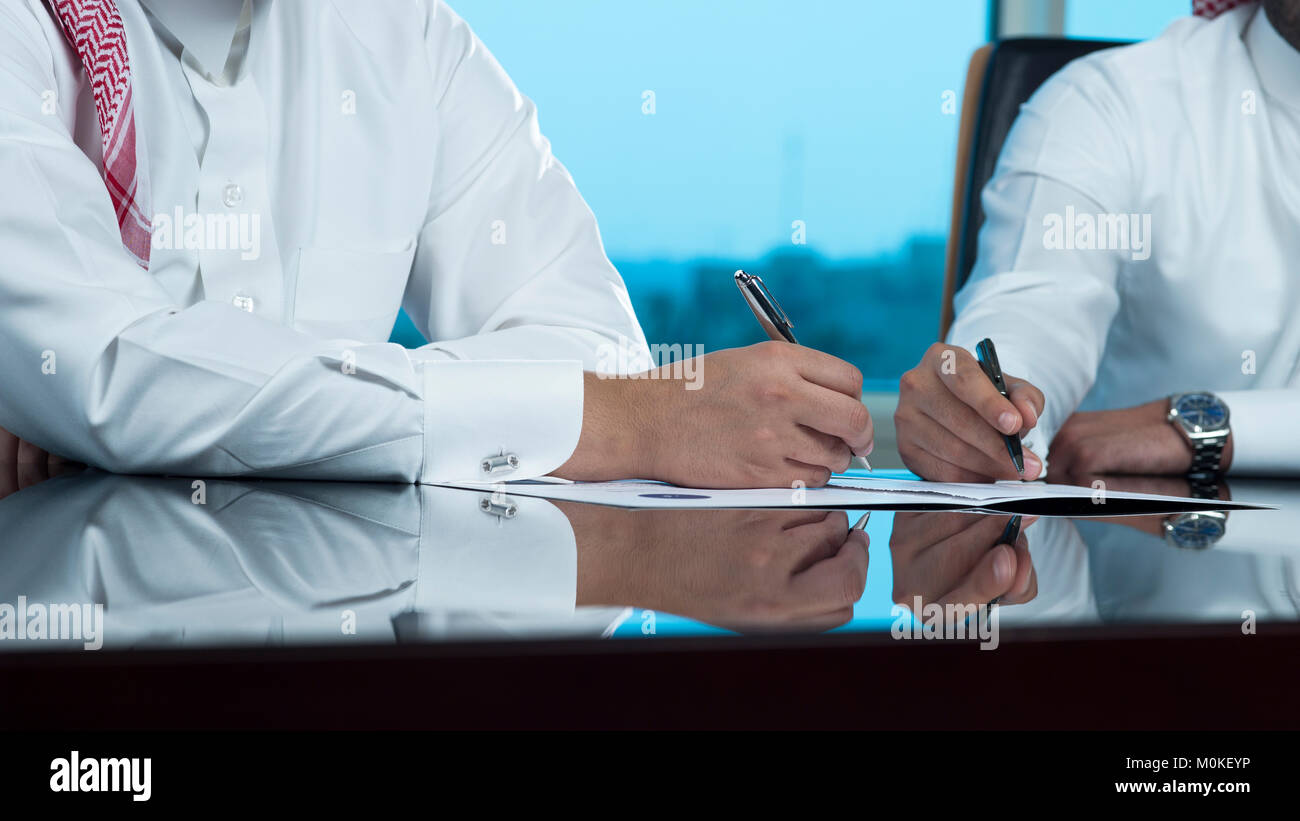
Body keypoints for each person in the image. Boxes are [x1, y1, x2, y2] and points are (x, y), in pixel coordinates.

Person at [0, 0, 872, 495]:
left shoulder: (406, 33)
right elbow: (108, 366)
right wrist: (616, 421)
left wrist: (166, 411)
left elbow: (596, 345)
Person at [895, 0, 1298, 483]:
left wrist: (1206, 427)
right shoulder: (1111, 104)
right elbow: (1034, 309)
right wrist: (994, 411)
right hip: (1118, 547)